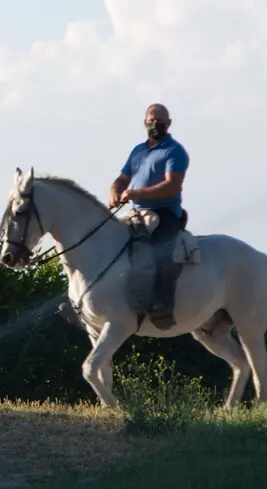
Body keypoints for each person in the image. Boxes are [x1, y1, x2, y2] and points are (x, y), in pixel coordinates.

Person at [108, 103, 190, 324]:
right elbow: (123, 178)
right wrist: (115, 191)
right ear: (145, 123)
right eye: (152, 120)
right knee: (109, 245)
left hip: (164, 213)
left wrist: (134, 192)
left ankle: (164, 304)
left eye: (160, 121)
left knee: (163, 253)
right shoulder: (138, 151)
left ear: (169, 123)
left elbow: (172, 186)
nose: (156, 124)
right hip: (136, 213)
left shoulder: (175, 151)